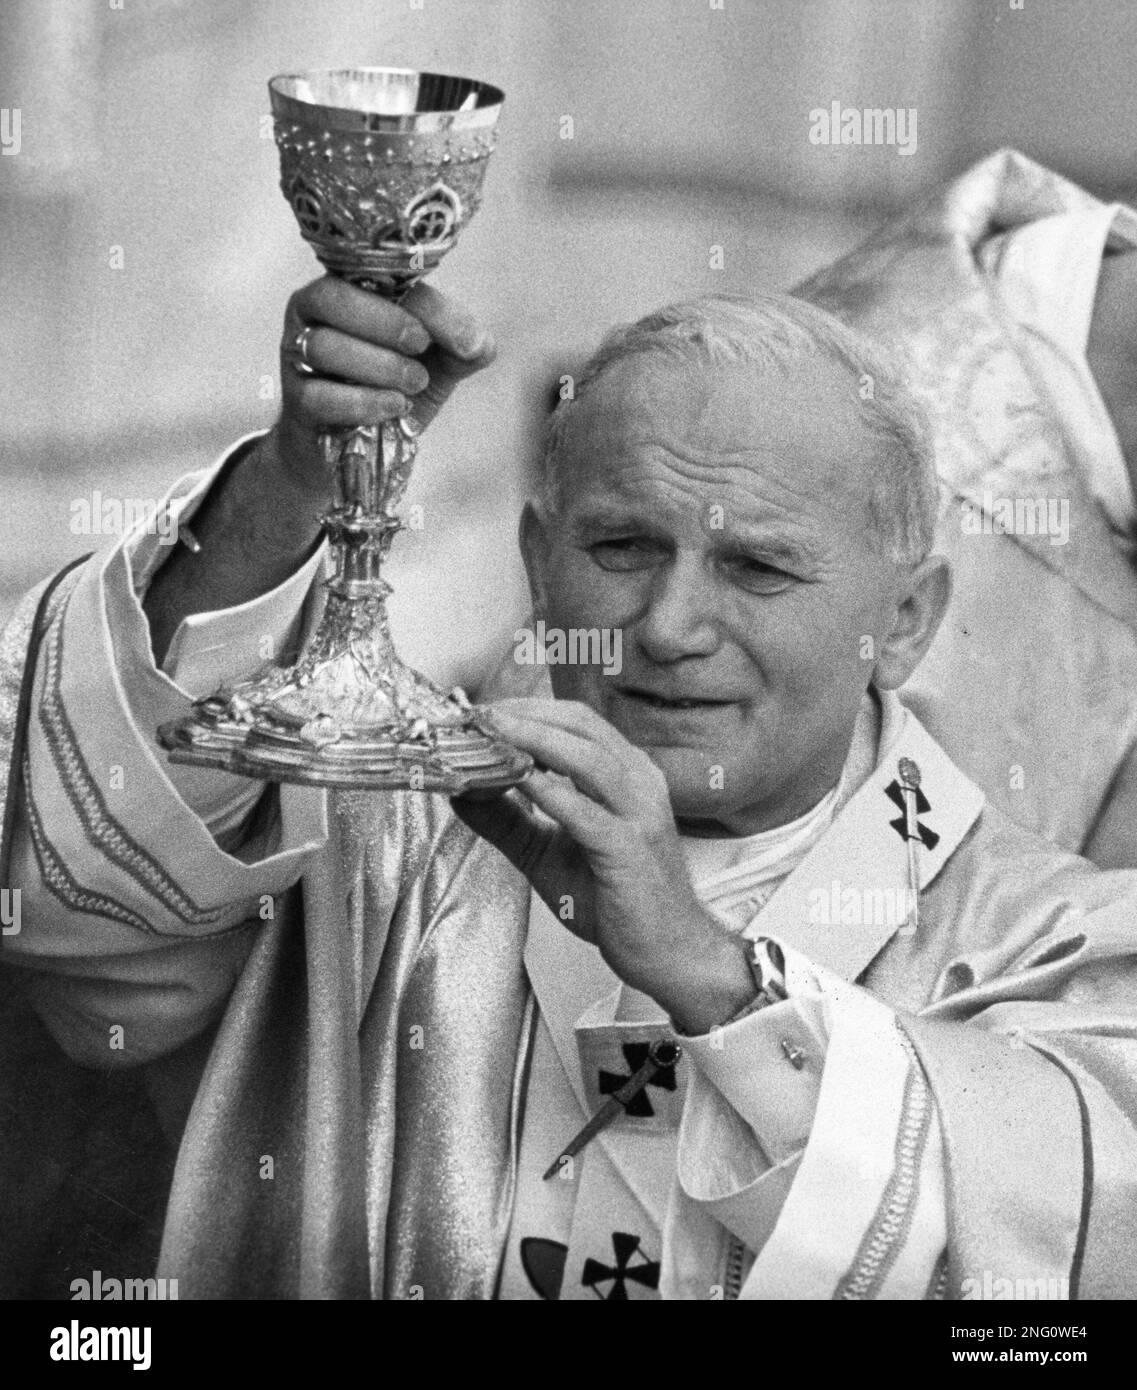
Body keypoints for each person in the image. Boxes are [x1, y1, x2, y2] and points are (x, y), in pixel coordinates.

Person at [3, 281, 1137, 1301]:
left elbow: (1070, 1259)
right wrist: (292, 487)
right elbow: (79, 904)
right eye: (623, 545)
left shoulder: (1050, 942)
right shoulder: (376, 822)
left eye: (759, 566)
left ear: (906, 620)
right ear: (538, 561)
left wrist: (712, 977)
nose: (670, 627)